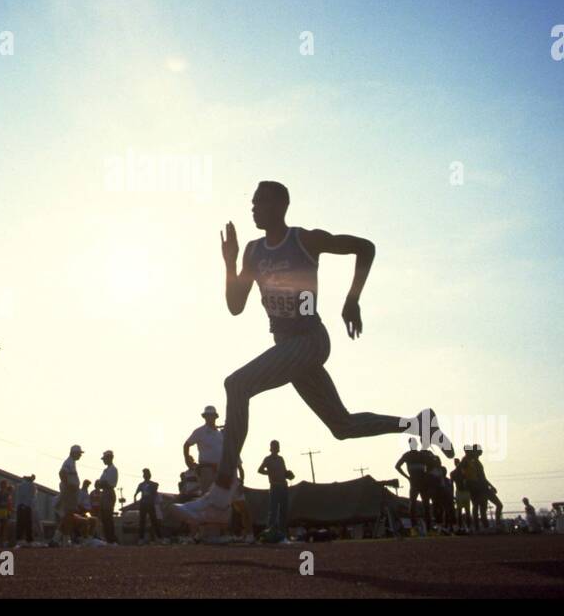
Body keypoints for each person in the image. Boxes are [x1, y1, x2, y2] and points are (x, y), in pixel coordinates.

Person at [173, 181, 453, 526]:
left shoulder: (305, 240)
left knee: (237, 385)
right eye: (253, 202)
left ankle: (220, 494)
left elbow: (365, 247)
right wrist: (229, 263)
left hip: (310, 340)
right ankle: (419, 423)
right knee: (342, 425)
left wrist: (352, 299)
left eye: (259, 202)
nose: (253, 208)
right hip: (286, 347)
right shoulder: (253, 251)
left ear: (279, 206)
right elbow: (235, 306)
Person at [395, 438, 432, 535]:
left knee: (425, 505)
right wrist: (407, 477)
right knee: (414, 505)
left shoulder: (421, 455)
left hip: (422, 482)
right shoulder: (408, 455)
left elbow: (430, 464)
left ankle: (428, 528)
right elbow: (397, 466)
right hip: (415, 482)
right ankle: (414, 528)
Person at [258, 440, 294, 541]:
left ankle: (283, 533)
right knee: (273, 511)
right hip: (274, 486)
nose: (277, 448)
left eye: (277, 446)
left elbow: (284, 471)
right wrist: (269, 473)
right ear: (272, 447)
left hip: (283, 486)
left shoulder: (281, 459)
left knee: (284, 511)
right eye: (275, 446)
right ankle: (270, 533)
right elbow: (260, 470)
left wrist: (288, 474)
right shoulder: (268, 459)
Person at [184, 407, 224, 496]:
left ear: (215, 417)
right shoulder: (199, 431)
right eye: (207, 416)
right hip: (207, 469)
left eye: (211, 416)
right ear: (205, 417)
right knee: (207, 495)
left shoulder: (219, 433)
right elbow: (186, 445)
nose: (209, 418)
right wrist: (187, 460)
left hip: (220, 469)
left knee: (220, 495)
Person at [54, 445, 85, 546]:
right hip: (69, 492)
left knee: (68, 516)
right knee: (69, 515)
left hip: (71, 492)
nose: (80, 455)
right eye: (79, 453)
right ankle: (64, 539)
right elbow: (62, 473)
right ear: (74, 453)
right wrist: (68, 486)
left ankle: (60, 538)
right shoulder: (69, 462)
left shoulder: (71, 462)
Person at [134, 469, 162, 543]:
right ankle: (141, 538)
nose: (145, 475)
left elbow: (155, 489)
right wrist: (136, 502)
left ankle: (159, 537)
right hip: (143, 504)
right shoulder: (141, 484)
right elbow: (135, 494)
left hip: (150, 504)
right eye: (144, 474)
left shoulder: (153, 484)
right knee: (142, 521)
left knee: (154, 520)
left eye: (147, 474)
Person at [97, 450, 119, 544]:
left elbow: (107, 483)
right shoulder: (106, 470)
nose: (103, 460)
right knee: (104, 517)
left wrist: (101, 483)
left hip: (109, 493)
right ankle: (108, 538)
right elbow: (100, 483)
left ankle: (112, 539)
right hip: (104, 493)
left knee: (108, 516)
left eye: (105, 459)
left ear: (109, 458)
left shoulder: (113, 469)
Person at [14, 474, 38, 545]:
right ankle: (29, 540)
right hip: (27, 506)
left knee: (20, 523)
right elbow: (32, 497)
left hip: (20, 506)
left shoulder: (20, 485)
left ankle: (19, 539)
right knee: (28, 523)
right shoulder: (32, 486)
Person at [451, 458, 471, 532]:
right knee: (459, 511)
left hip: (466, 492)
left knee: (467, 511)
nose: (457, 463)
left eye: (457, 462)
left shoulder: (465, 472)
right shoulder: (453, 473)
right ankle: (460, 527)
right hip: (459, 492)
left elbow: (469, 483)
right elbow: (451, 484)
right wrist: (452, 495)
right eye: (456, 462)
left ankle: (468, 527)